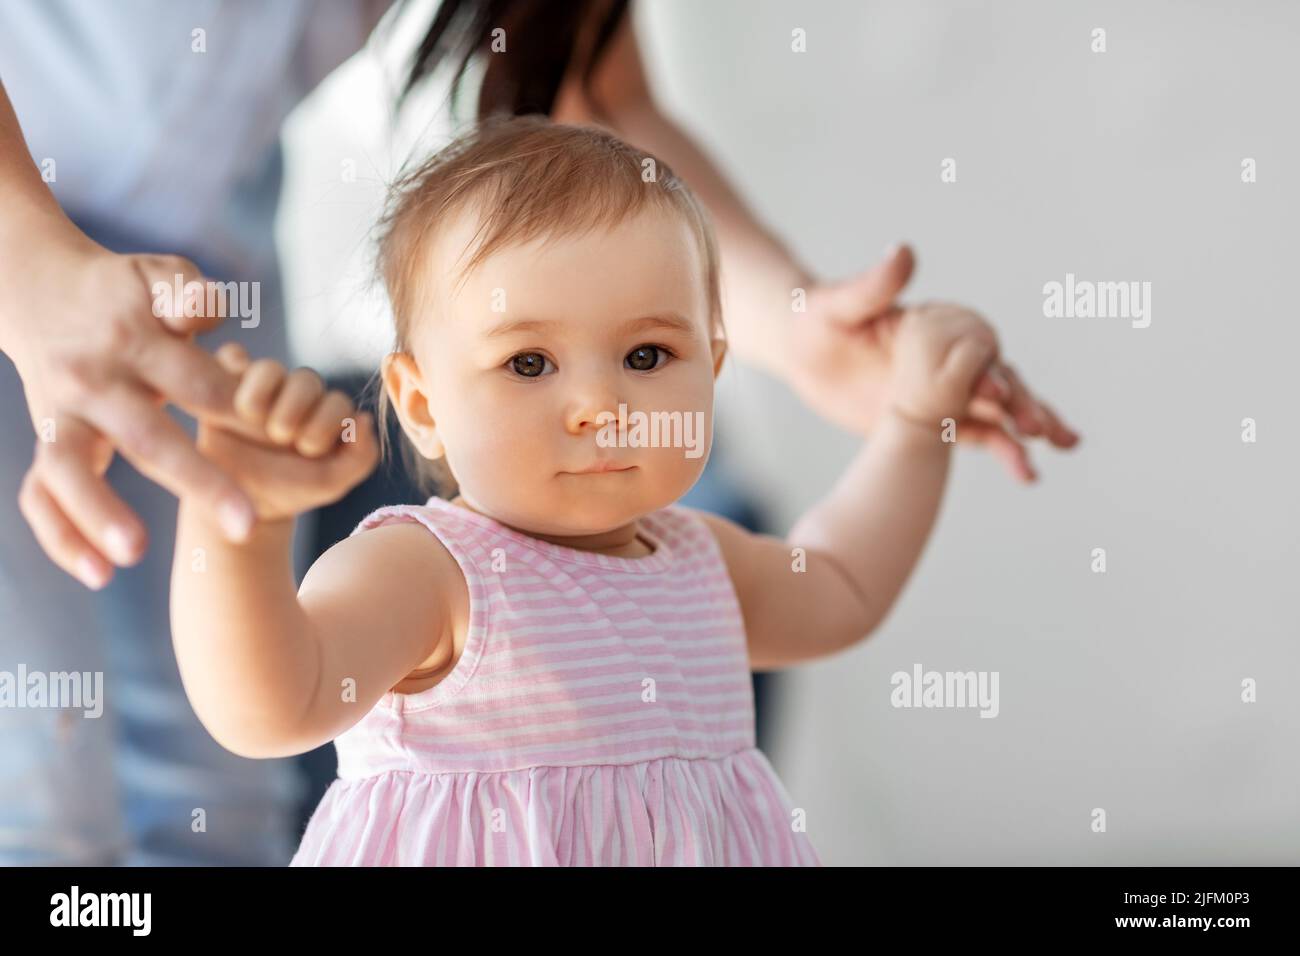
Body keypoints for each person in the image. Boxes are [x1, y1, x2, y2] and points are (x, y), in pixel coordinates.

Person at [0, 0, 1074, 865]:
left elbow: (842, 583)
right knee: (49, 802)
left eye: (649, 355)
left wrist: (917, 417)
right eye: (526, 363)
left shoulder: (701, 565)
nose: (596, 402)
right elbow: (270, 705)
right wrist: (238, 529)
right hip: (52, 263)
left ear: (714, 360)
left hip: (184, 244)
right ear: (419, 402)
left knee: (195, 808)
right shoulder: (430, 574)